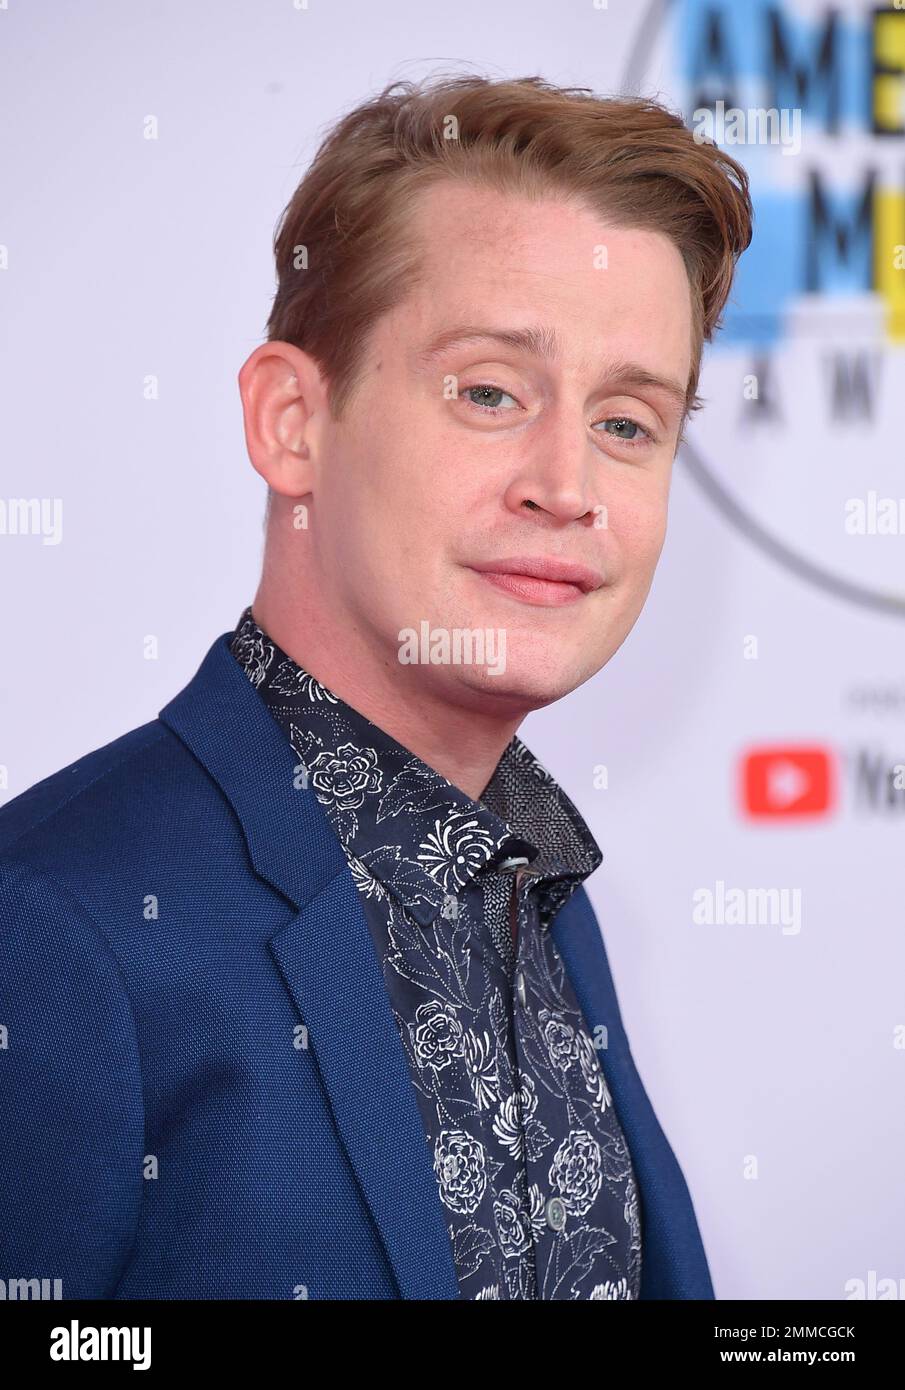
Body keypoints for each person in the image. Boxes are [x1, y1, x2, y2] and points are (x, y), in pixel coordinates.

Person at [0, 73, 752, 1300]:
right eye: (489, 392)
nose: (567, 484)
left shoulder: (542, 895)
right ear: (294, 420)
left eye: (627, 422)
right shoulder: (51, 929)